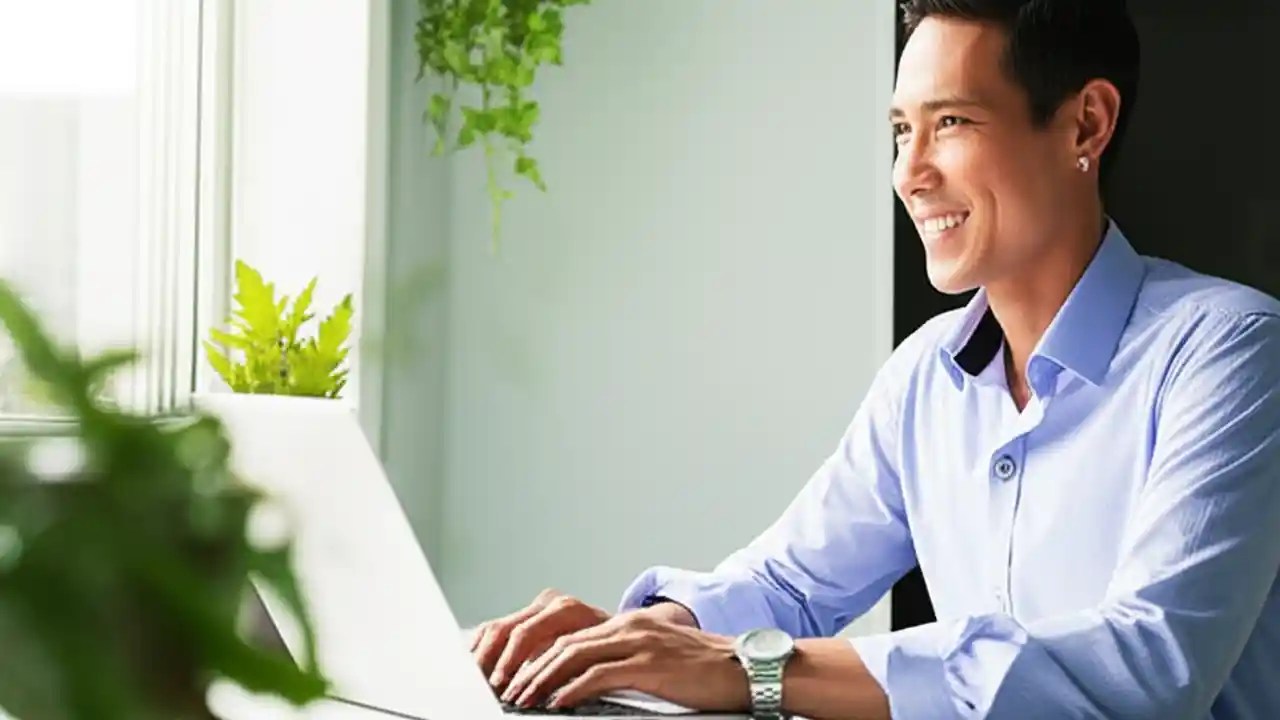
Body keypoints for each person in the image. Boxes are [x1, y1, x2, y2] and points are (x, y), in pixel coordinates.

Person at [470, 1, 1280, 717]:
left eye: (952, 123)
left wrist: (750, 669)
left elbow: (1149, 669)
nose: (910, 174)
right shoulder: (925, 376)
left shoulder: (1230, 353)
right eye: (901, 129)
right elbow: (791, 585)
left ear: (1085, 125)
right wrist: (642, 636)